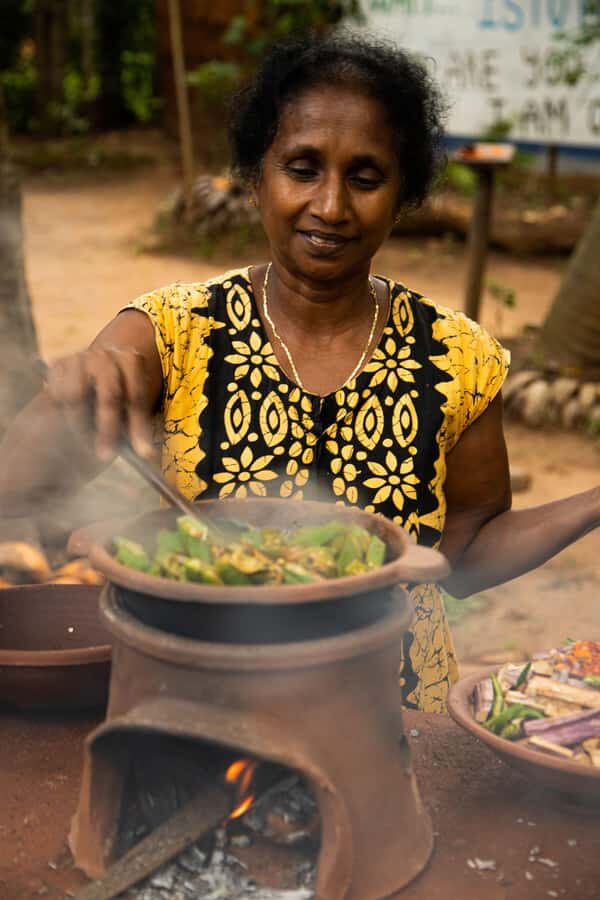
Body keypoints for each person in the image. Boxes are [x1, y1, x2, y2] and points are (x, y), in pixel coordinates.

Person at [1, 32, 598, 712]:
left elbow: (462, 553)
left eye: (366, 178)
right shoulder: (171, 331)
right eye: (303, 168)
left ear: (403, 195)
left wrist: (594, 502)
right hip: (202, 708)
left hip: (395, 715)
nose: (332, 206)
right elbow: (16, 488)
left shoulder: (457, 356)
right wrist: (69, 399)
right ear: (256, 177)